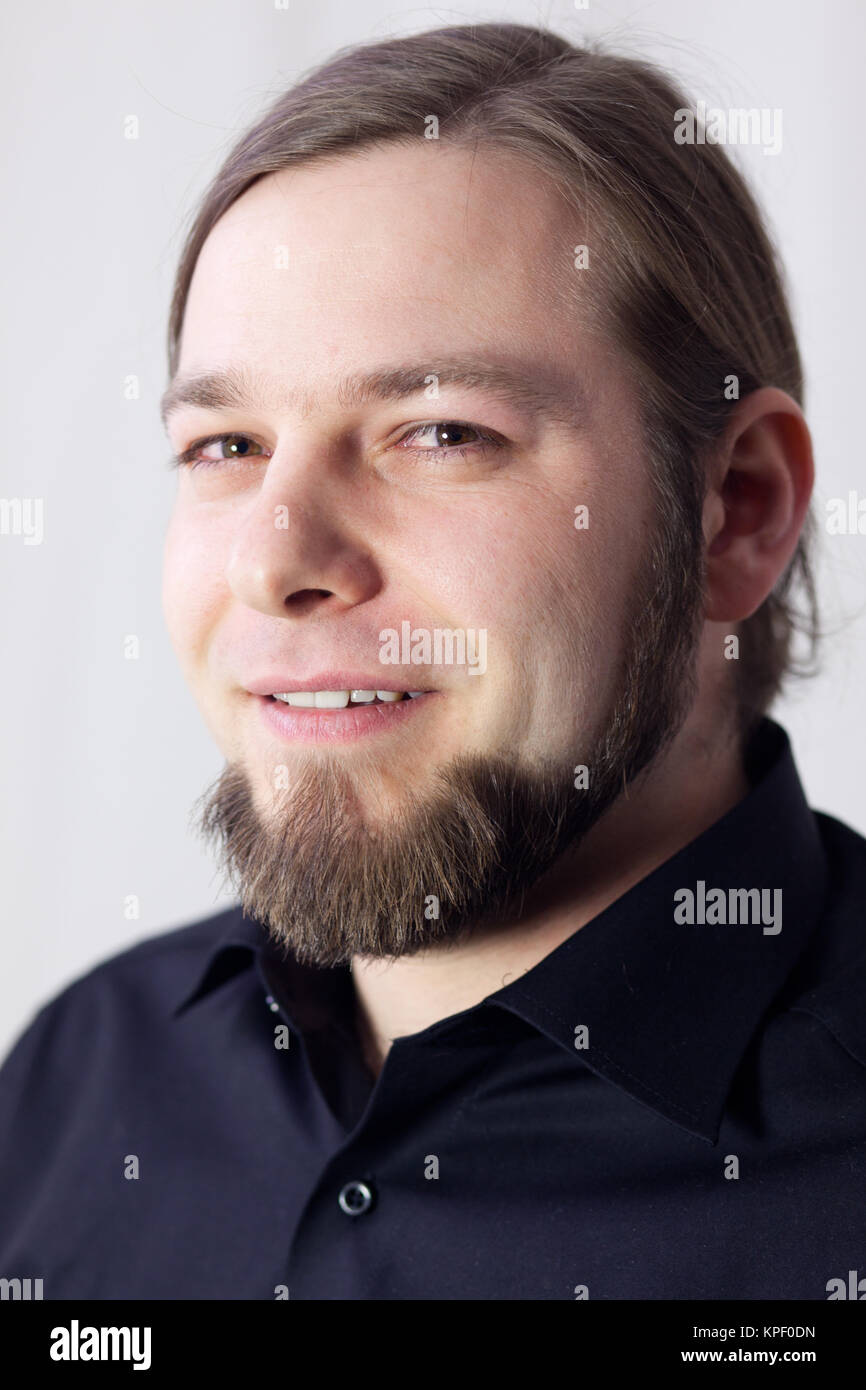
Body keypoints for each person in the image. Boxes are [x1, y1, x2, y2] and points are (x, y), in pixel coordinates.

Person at [1, 22, 863, 1302]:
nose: (273, 558)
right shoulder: (81, 1075)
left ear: (732, 510)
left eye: (439, 431)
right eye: (227, 446)